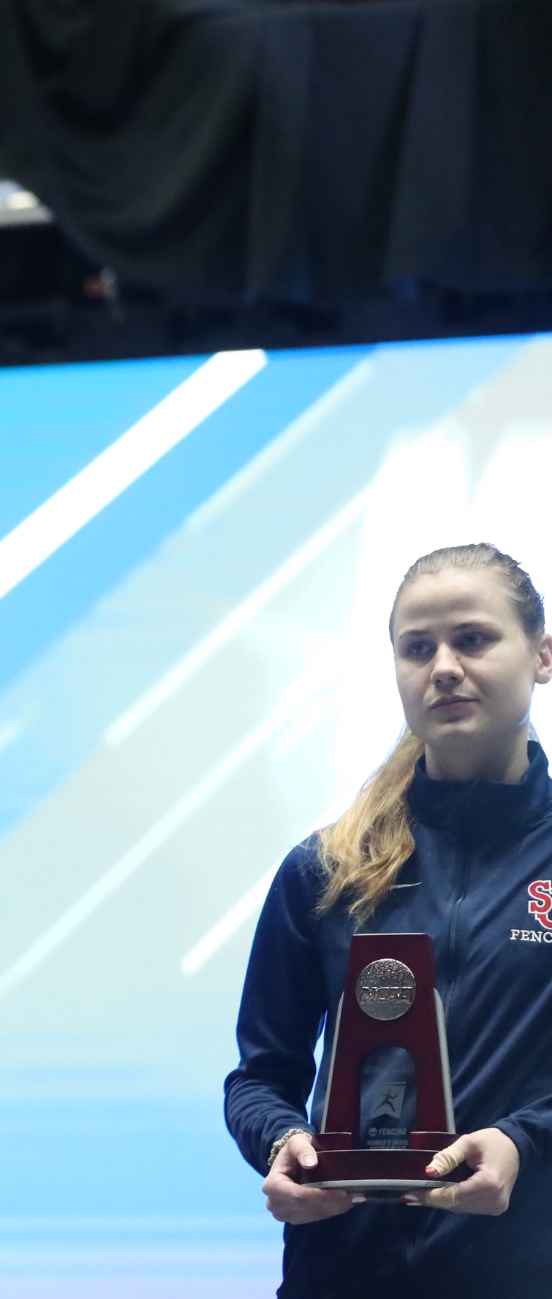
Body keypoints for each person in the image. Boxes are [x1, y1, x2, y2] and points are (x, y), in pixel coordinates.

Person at [225, 543, 552, 1297]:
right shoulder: (326, 869)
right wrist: (283, 1144)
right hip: (339, 1277)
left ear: (541, 656)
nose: (443, 666)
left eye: (472, 638)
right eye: (417, 647)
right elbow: (259, 1076)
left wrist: (521, 1141)